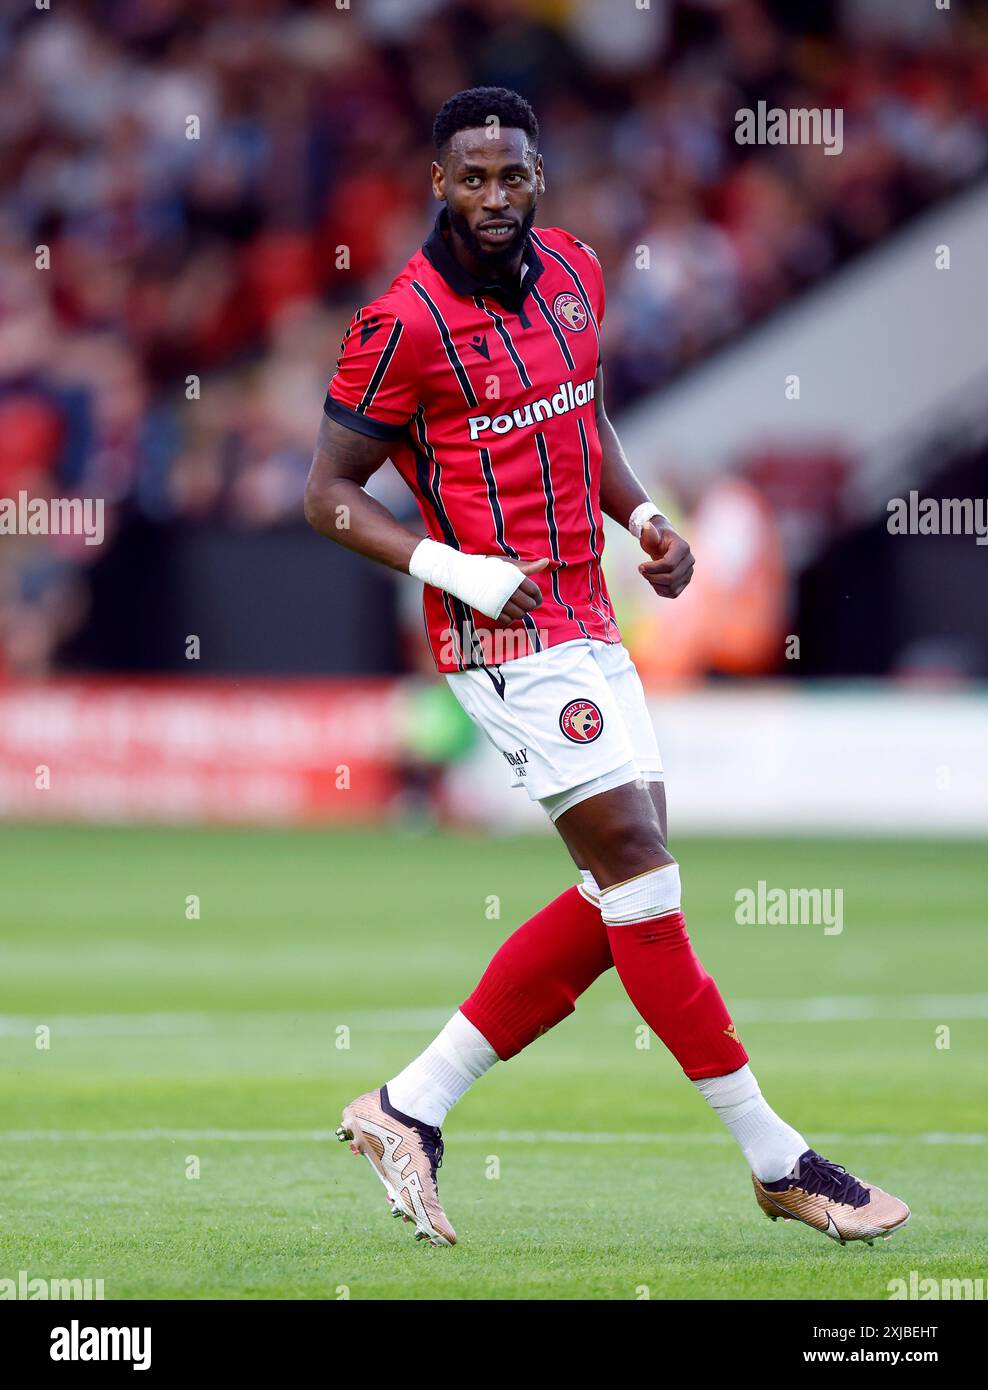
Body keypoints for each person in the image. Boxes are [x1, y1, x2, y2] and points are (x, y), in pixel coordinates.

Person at [304, 86, 908, 1249]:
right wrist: (457, 569)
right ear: (437, 183)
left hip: (587, 610)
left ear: (540, 180)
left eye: (512, 176)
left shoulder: (575, 271)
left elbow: (583, 420)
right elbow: (327, 497)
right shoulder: (403, 322)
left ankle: (407, 1106)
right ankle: (781, 1160)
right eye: (470, 177)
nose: (493, 196)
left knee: (622, 882)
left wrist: (643, 518)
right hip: (503, 636)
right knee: (642, 876)